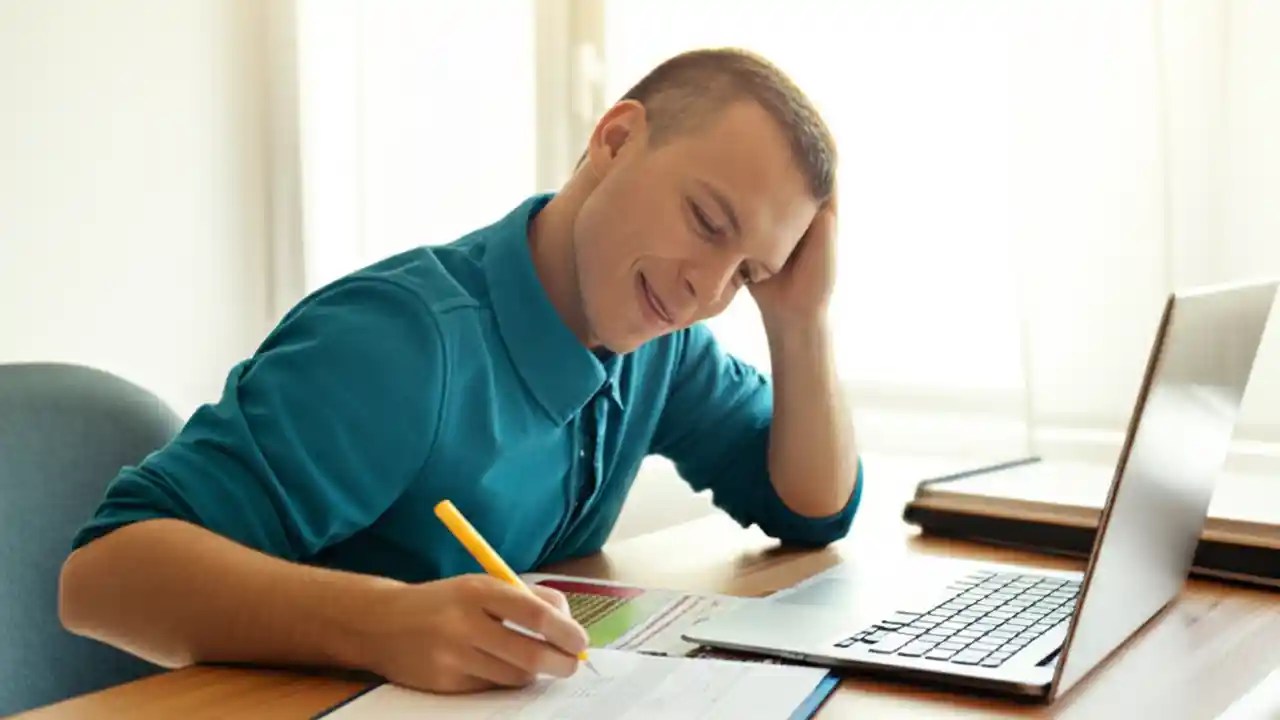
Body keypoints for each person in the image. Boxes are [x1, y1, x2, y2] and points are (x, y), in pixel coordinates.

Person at [58, 47, 862, 694]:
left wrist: (801, 320)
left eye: (747, 273)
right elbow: (101, 576)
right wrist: (384, 623)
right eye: (707, 221)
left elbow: (809, 507)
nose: (706, 291)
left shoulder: (659, 345)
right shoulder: (399, 346)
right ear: (616, 140)